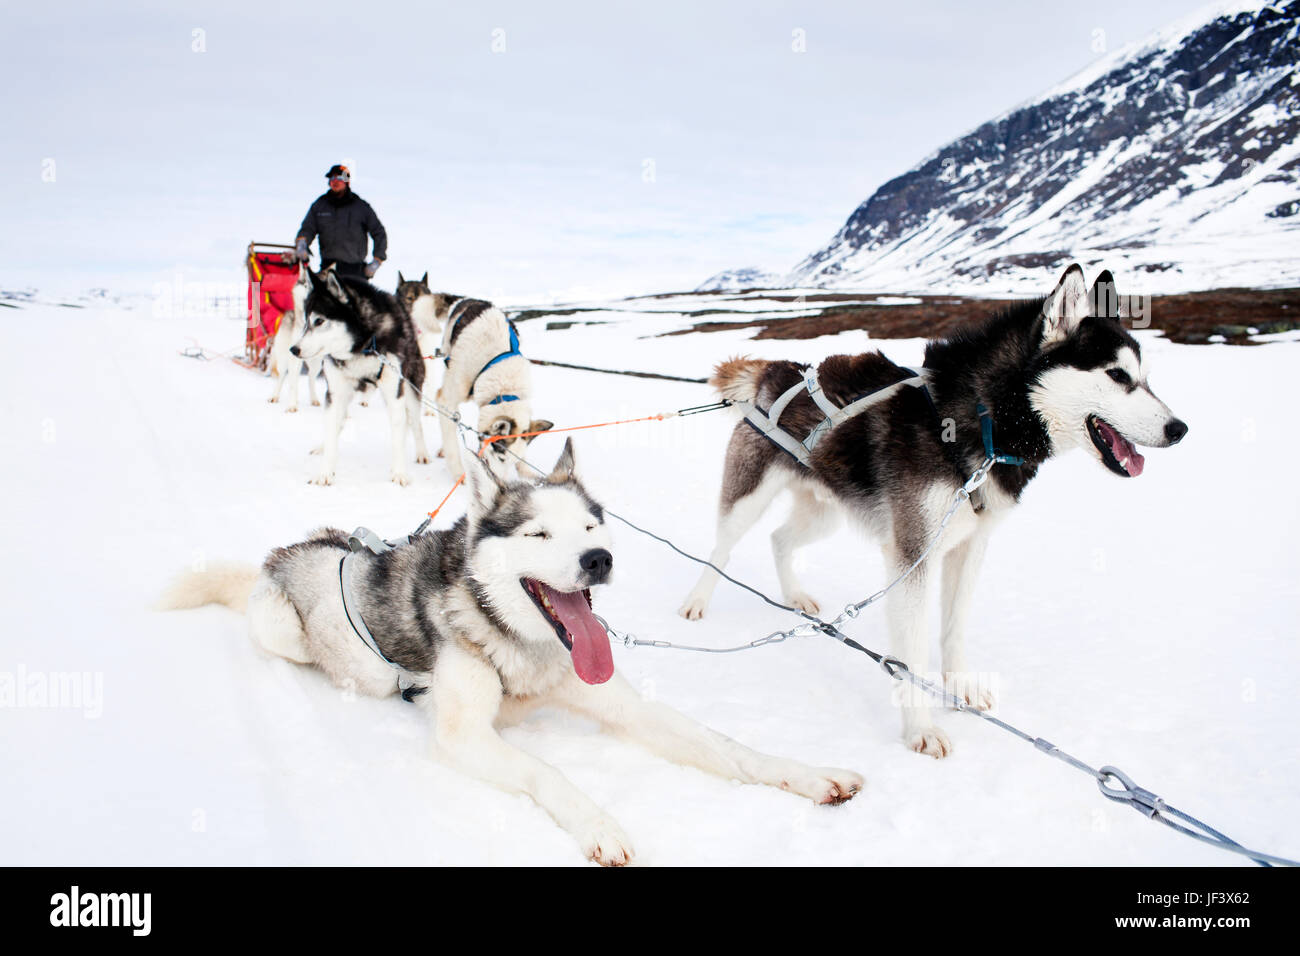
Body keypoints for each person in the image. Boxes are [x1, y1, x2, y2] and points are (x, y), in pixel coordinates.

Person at [294, 164, 387, 280]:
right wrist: (302, 243)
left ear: (347, 182)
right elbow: (307, 228)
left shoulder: (361, 207)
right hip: (328, 270)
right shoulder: (320, 206)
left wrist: (377, 261)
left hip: (355, 272)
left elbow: (379, 233)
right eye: (332, 178)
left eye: (339, 178)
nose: (335, 181)